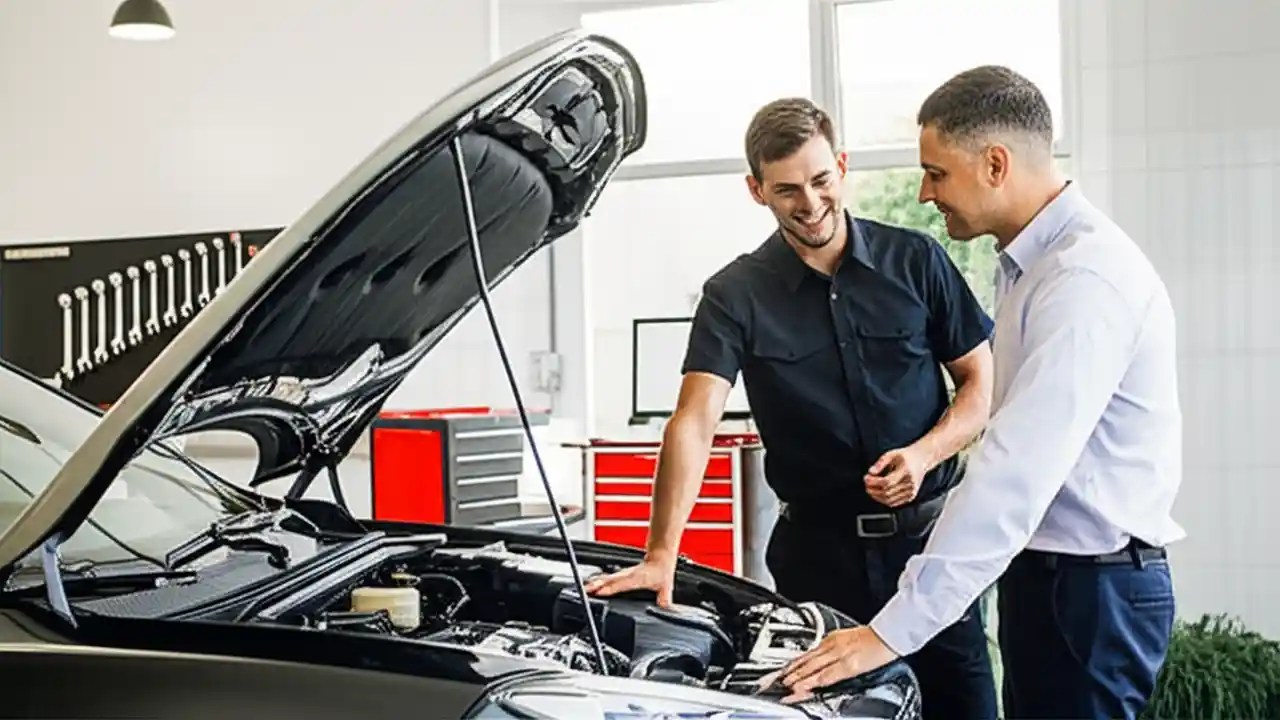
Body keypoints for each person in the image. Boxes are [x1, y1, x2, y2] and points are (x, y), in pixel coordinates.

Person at [776, 66, 1184, 720]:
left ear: (995, 164)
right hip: (1051, 581)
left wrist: (892, 630)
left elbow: (1014, 470)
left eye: (936, 172)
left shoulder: (1085, 282)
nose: (925, 191)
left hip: (1091, 591)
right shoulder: (1031, 266)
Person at [582, 97, 999, 719]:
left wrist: (925, 453)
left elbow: (979, 385)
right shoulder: (734, 295)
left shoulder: (918, 260)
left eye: (821, 180)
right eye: (786, 190)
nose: (809, 204)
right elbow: (694, 419)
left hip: (930, 552)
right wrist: (660, 552)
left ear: (842, 166)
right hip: (818, 565)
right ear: (756, 190)